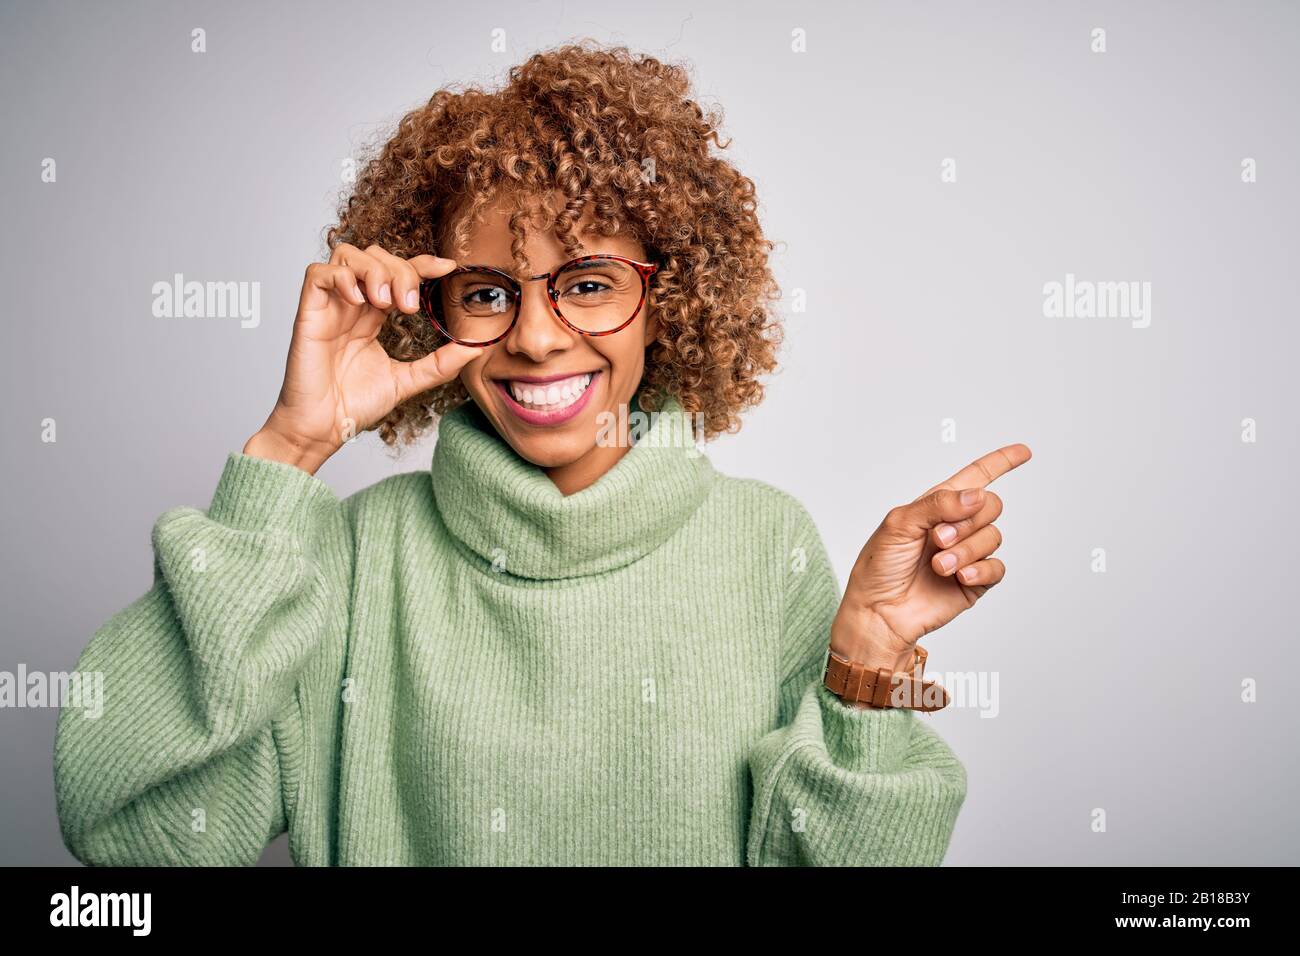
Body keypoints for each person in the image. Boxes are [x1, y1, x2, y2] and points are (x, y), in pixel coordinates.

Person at [53, 41, 1029, 866]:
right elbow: (128, 827)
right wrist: (291, 447)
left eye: (588, 283)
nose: (535, 336)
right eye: (486, 291)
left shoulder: (764, 545)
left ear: (672, 294)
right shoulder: (354, 557)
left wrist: (863, 666)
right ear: (435, 308)